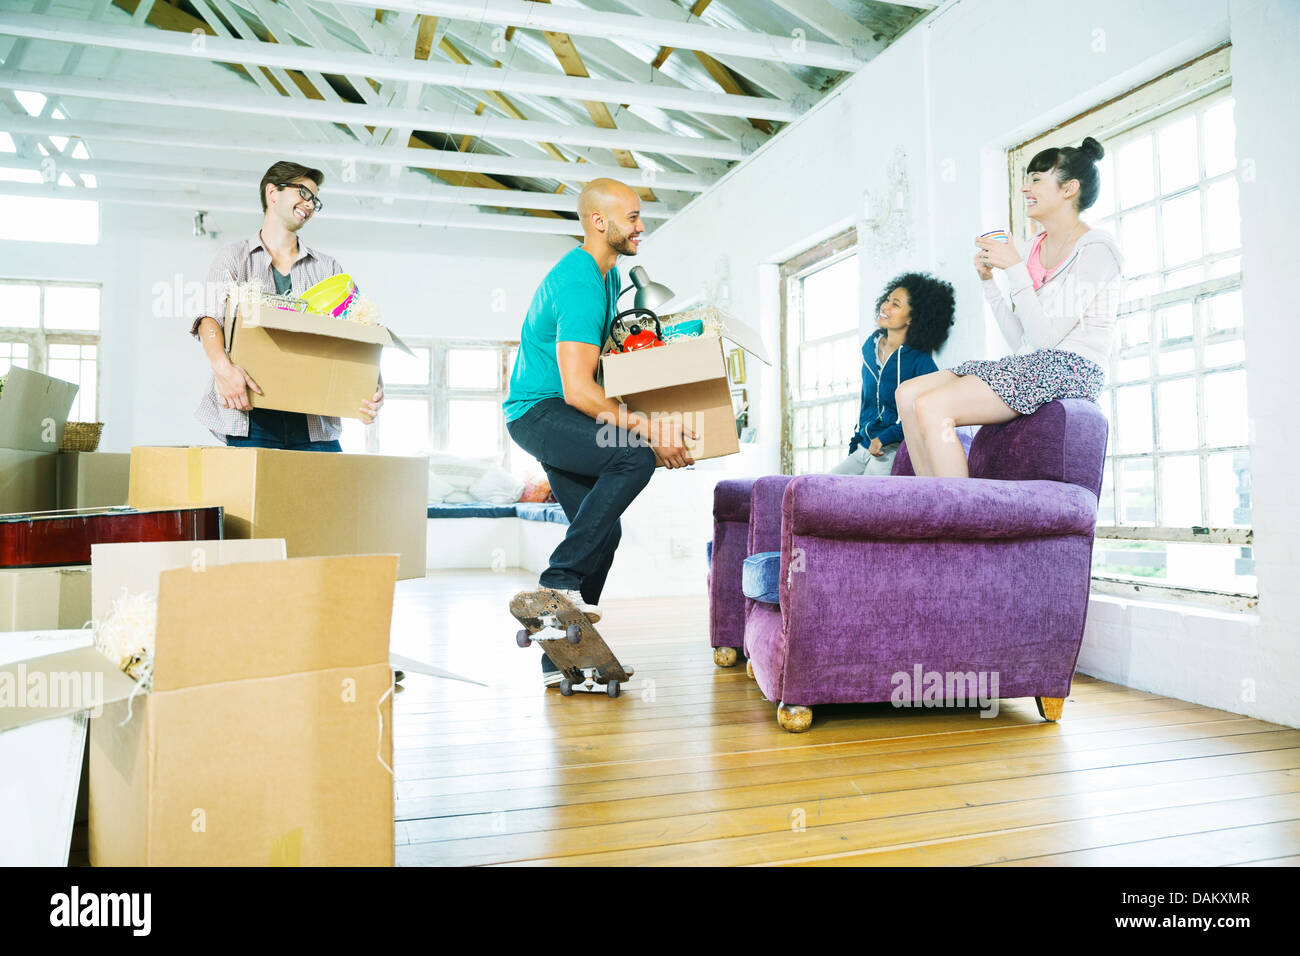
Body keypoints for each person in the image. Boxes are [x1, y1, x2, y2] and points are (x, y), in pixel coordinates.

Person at [503, 178, 694, 686]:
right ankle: (558, 580)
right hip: (538, 412)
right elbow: (577, 391)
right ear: (598, 222)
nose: (641, 225)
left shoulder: (609, 277)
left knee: (603, 532)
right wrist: (650, 430)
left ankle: (564, 658)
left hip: (558, 413)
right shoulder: (581, 282)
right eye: (632, 217)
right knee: (633, 456)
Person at [896, 136, 1123, 477]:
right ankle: (935, 509)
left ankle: (960, 521)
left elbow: (1048, 339)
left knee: (933, 406)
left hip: (1074, 368)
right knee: (908, 394)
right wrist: (990, 283)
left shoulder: (1097, 249)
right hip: (1033, 361)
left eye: (1036, 179)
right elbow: (1023, 340)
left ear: (1069, 188)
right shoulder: (1033, 247)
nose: (1025, 188)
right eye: (1026, 179)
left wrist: (1015, 269)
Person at [191, 159, 384, 450]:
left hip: (313, 419)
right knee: (254, 496)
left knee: (326, 496)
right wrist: (222, 368)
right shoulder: (234, 257)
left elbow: (357, 329)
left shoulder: (327, 268)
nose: (310, 204)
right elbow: (209, 320)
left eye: (315, 200)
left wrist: (371, 383)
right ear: (273, 193)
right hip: (252, 418)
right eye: (304, 193)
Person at [831, 273, 954, 475]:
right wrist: (856, 441)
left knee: (864, 500)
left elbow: (925, 414)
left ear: (912, 318)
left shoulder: (920, 363)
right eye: (887, 299)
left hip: (890, 449)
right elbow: (866, 402)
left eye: (895, 304)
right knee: (824, 487)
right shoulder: (869, 350)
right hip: (864, 446)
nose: (885, 306)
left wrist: (886, 438)